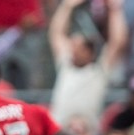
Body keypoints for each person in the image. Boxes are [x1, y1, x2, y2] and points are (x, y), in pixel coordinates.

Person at [47, 0, 127, 128]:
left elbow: (117, 42)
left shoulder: (99, 71)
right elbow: (56, 34)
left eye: (80, 47)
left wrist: (115, 9)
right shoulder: (65, 65)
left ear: (90, 53)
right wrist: (67, 6)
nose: (74, 50)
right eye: (73, 45)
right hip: (60, 133)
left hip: (88, 134)